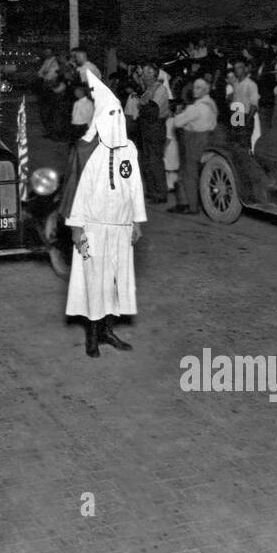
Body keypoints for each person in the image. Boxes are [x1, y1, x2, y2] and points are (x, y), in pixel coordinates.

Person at [60, 69, 145, 357]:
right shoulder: (88, 151)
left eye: (118, 115)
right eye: (110, 116)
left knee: (115, 279)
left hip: (120, 227)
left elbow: (134, 185)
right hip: (93, 227)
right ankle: (92, 336)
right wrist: (76, 227)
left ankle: (108, 330)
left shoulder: (128, 150)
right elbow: (78, 191)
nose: (116, 121)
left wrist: (136, 220)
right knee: (92, 280)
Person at [168, 78, 217, 215]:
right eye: (195, 87)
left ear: (206, 90)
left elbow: (177, 122)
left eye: (199, 88)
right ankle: (192, 203)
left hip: (193, 140)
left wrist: (179, 114)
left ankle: (191, 206)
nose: (195, 90)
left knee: (189, 174)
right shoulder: (211, 104)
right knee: (195, 173)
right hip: (207, 139)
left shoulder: (195, 108)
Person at [136, 64, 170, 204]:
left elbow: (151, 111)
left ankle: (160, 194)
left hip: (155, 127)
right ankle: (152, 191)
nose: (142, 77)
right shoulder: (149, 89)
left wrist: (142, 106)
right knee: (147, 160)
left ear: (152, 74)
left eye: (144, 73)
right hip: (147, 127)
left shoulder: (160, 89)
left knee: (155, 160)